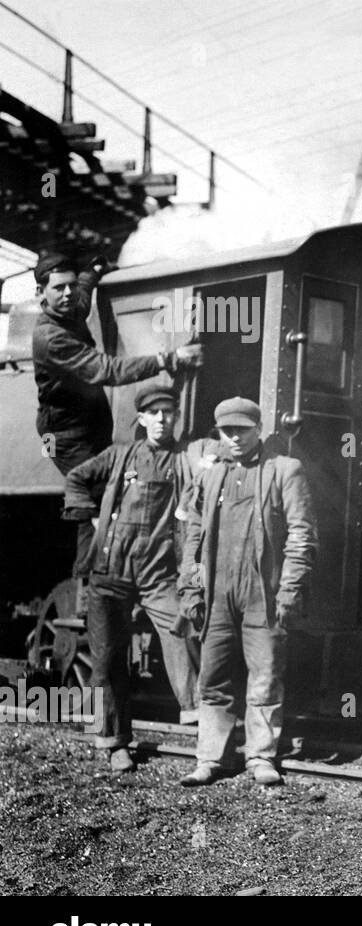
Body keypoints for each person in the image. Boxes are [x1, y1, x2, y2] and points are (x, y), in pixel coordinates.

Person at [32, 252, 202, 582]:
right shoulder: (49, 337)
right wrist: (167, 359)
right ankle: (88, 586)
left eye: (69, 286)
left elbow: (82, 289)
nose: (68, 294)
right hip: (62, 439)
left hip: (91, 427)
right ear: (41, 293)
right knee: (93, 500)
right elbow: (105, 370)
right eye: (58, 289)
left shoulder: (71, 304)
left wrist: (94, 270)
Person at [61, 384, 204, 772]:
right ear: (141, 418)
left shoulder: (182, 460)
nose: (161, 420)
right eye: (153, 414)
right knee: (108, 659)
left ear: (177, 418)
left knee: (183, 627)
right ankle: (115, 743)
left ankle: (197, 714)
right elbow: (76, 478)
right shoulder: (121, 455)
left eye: (168, 413)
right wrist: (91, 515)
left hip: (158, 574)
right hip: (110, 573)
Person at [178, 397, 318, 787]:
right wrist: (191, 584)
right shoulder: (210, 475)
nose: (234, 438)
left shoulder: (284, 470)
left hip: (263, 592)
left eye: (241, 430)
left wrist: (290, 587)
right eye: (226, 431)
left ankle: (260, 757)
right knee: (213, 677)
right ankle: (210, 759)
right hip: (218, 591)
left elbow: (302, 534)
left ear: (259, 429)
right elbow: (193, 534)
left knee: (266, 675)